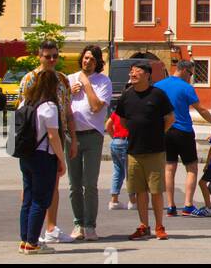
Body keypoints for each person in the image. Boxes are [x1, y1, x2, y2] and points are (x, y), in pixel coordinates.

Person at [18, 40, 76, 245]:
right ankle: (33, 236)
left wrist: (73, 139)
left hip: (55, 136)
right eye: (47, 56)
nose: (52, 60)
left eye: (55, 56)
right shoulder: (29, 79)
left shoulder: (62, 79)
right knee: (34, 191)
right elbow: (21, 114)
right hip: (39, 140)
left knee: (51, 186)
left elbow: (68, 111)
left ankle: (49, 228)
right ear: (39, 56)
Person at [114, 61, 174, 241]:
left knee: (156, 190)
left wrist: (157, 132)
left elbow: (170, 118)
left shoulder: (158, 95)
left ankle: (159, 226)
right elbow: (123, 120)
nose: (132, 73)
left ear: (147, 75)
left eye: (137, 71)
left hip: (155, 150)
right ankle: (143, 226)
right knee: (139, 191)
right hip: (133, 151)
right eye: (131, 71)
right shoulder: (126, 96)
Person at [155, 58, 211, 217]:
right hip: (183, 131)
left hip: (165, 131)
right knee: (191, 168)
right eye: (190, 73)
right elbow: (201, 110)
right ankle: (188, 205)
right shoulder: (186, 87)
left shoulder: (158, 86)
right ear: (183, 70)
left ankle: (170, 206)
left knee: (169, 168)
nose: (190, 77)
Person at [17, 69, 65, 255]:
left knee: (27, 199)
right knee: (41, 200)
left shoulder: (25, 102)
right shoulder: (49, 106)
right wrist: (61, 159)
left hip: (26, 155)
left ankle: (24, 240)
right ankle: (33, 243)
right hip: (43, 156)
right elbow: (53, 136)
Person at [67, 45, 112, 241]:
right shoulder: (69, 78)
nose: (87, 61)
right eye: (85, 58)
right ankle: (78, 224)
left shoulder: (103, 81)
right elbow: (59, 106)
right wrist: (69, 93)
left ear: (98, 62)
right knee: (74, 184)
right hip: (71, 135)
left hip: (93, 135)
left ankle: (90, 225)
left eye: (92, 59)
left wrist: (86, 84)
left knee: (90, 184)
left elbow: (95, 107)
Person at [106, 109, 133, 212]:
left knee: (118, 171)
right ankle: (133, 201)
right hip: (126, 141)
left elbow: (108, 125)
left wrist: (114, 137)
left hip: (116, 141)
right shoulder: (130, 111)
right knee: (130, 172)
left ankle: (114, 200)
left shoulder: (117, 111)